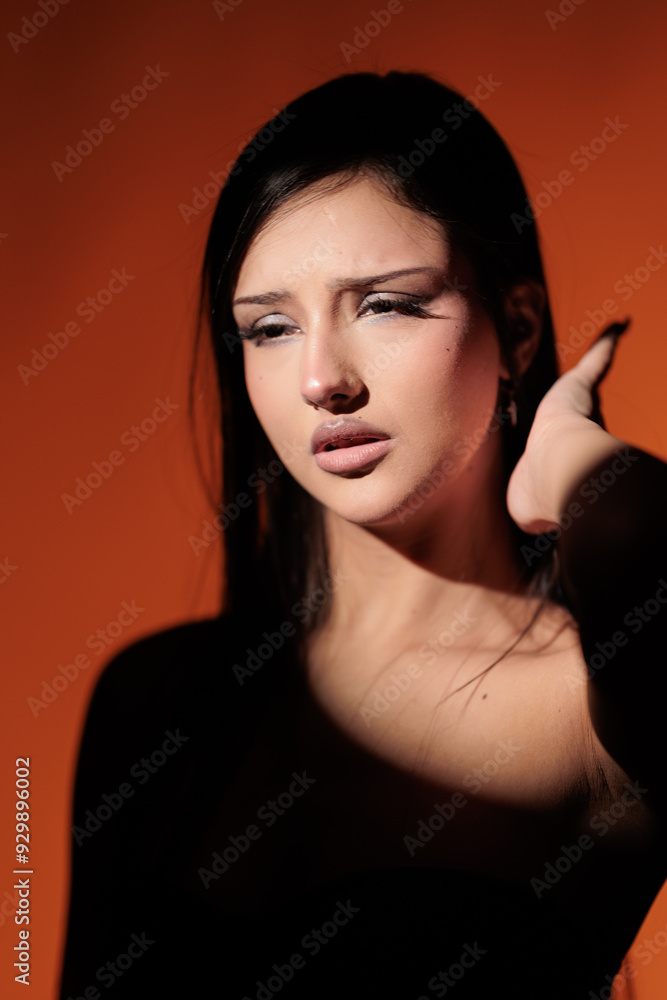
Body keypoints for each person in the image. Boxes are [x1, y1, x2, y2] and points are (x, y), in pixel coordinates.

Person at [59, 70, 666, 999]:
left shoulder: (597, 701)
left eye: (384, 304)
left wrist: (567, 458)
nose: (320, 380)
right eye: (267, 328)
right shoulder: (157, 700)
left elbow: (636, 540)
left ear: (516, 328)